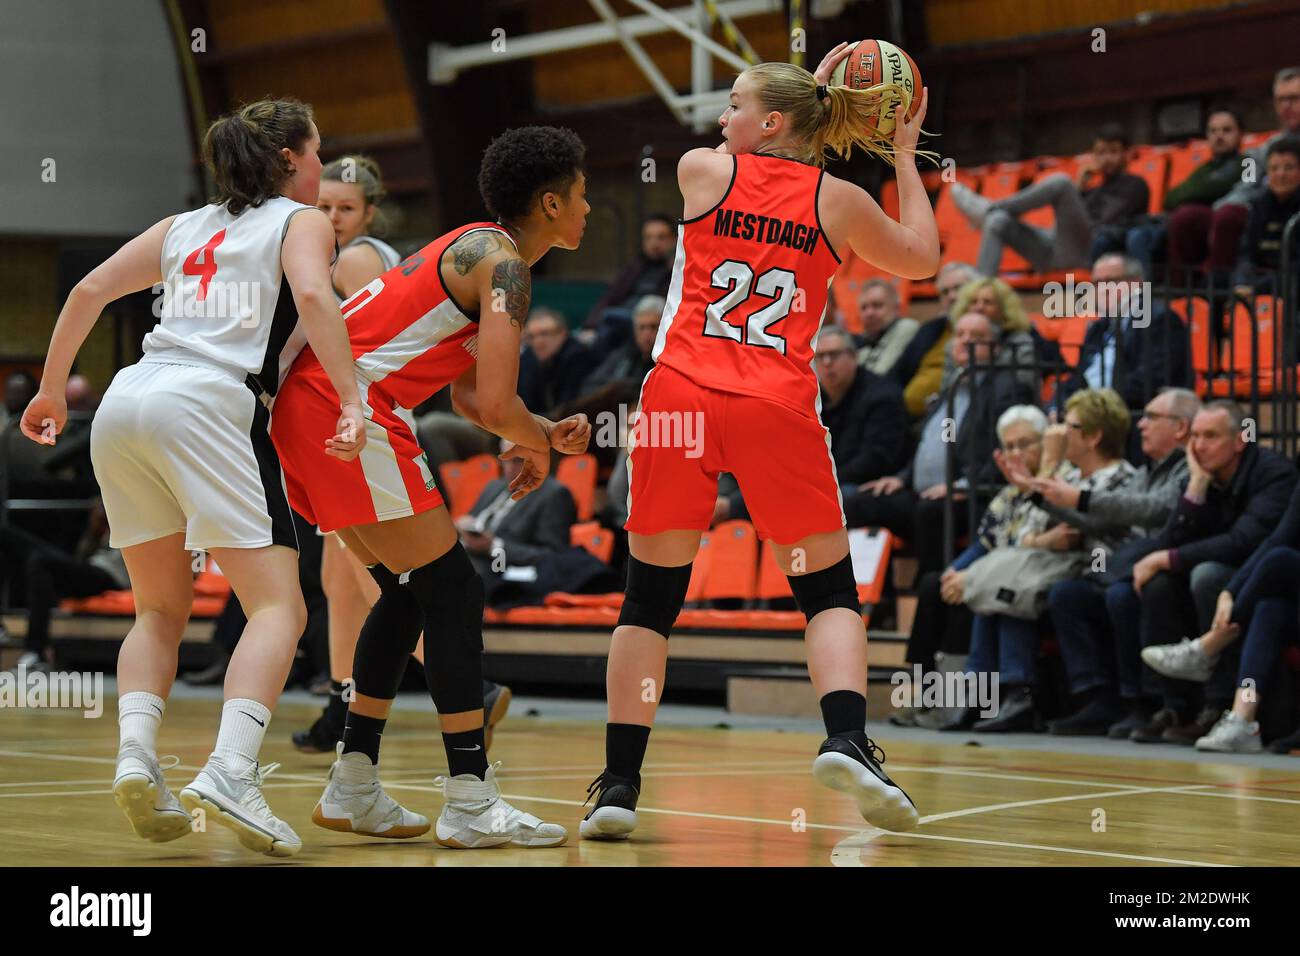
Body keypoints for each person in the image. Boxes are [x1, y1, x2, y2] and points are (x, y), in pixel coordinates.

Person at [579, 43, 939, 841]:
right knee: (827, 593)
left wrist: (816, 88)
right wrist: (905, 158)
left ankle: (618, 783)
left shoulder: (701, 173)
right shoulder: (840, 200)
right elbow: (924, 258)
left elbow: (731, 152)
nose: (721, 117)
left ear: (770, 121)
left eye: (736, 104)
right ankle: (846, 736)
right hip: (774, 402)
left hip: (679, 397)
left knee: (648, 603)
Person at [19, 98, 365, 856]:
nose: (320, 168)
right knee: (280, 607)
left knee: (158, 610)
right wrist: (353, 398)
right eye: (316, 153)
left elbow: (86, 293)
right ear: (289, 162)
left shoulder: (183, 226)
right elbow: (311, 294)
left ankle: (137, 757)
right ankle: (233, 769)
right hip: (208, 403)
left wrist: (50, 390)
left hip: (127, 401)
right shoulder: (300, 221)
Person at [271, 125, 592, 849]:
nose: (588, 208)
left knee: (412, 593)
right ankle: (471, 800)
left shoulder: (472, 248)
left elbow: (473, 402)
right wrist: (538, 435)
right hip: (347, 406)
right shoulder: (504, 266)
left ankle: (354, 782)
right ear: (549, 202)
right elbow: (500, 406)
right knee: (453, 590)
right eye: (581, 195)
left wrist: (534, 431)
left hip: (314, 406)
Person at [950, 388, 1136, 733]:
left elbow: (1077, 530)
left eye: (1070, 426)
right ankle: (980, 693)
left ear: (1094, 436)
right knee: (996, 589)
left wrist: (1047, 469)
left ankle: (1023, 695)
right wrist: (1038, 522)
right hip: (1062, 566)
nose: (1061, 433)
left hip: (1097, 568)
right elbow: (1033, 529)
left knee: (1012, 589)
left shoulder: (1121, 477)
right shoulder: (1074, 477)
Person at [1123, 400, 1295, 745]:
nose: (1198, 446)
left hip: (1253, 569)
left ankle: (1212, 680)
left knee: (1211, 576)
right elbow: (1170, 540)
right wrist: (1196, 487)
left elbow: (1247, 542)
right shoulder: (1200, 472)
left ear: (1239, 440)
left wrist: (1228, 587)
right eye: (1195, 436)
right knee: (1160, 584)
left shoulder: (1275, 473)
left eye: (1211, 436)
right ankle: (1200, 710)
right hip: (1258, 581)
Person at [1038, 388, 1199, 736]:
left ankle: (1139, 701)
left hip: (1174, 568)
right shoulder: (1148, 470)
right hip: (1131, 566)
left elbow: (1154, 510)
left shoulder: (1188, 468)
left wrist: (1078, 496)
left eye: (1152, 418)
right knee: (1069, 594)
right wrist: (1043, 496)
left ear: (1180, 427)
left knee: (1121, 595)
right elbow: (1103, 522)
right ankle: (1096, 697)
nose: (1141, 425)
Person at [840, 311, 1037, 578]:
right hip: (924, 492)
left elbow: (1009, 451)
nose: (965, 341)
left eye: (976, 337)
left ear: (996, 348)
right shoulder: (951, 385)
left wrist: (964, 487)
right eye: (960, 335)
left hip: (972, 497)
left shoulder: (1007, 388)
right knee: (857, 502)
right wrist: (902, 478)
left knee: (931, 512)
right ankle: (865, 596)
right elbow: (927, 445)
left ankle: (931, 587)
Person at [896, 404, 1047, 729]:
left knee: (979, 592)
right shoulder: (1008, 495)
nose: (1016, 453)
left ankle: (970, 697)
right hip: (993, 569)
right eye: (1009, 447)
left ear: (1045, 443)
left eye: (1025, 444)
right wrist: (956, 571)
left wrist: (969, 576)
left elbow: (1031, 547)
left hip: (1027, 575)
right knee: (935, 584)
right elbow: (984, 542)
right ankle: (925, 690)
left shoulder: (1051, 485)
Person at [1142, 479, 1300, 754]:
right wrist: (1230, 591)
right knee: (1270, 608)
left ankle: (1208, 648)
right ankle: (1243, 719)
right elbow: (1277, 537)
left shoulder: (1271, 471)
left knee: (1282, 559)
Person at [714, 325, 908, 526]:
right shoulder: (812, 398)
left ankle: (729, 510)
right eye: (820, 356)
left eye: (834, 355)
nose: (827, 363)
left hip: (864, 484)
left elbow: (874, 460)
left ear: (854, 357)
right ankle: (729, 510)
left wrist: (817, 483)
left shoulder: (881, 395)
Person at [950, 124, 1149, 277]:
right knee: (998, 222)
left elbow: (1101, 228)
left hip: (1090, 254)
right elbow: (1069, 222)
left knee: (1061, 182)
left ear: (1127, 154)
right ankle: (978, 288)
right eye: (1101, 153)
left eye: (1113, 151)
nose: (1107, 159)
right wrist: (1080, 186)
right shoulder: (1093, 189)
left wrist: (1074, 192)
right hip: (1053, 252)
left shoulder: (1135, 185)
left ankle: (989, 208)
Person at [1168, 67, 1300, 279]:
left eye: (1294, 98)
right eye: (1280, 100)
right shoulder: (1260, 151)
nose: (1286, 106)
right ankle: (1183, 298)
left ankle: (1221, 293)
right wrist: (1224, 206)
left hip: (1289, 212)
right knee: (1188, 217)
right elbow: (1246, 185)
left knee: (1229, 216)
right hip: (1260, 209)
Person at [1050, 253, 1189, 411]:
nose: (1102, 290)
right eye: (1096, 284)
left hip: (1134, 412)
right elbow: (1081, 377)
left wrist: (1096, 405)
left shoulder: (1160, 320)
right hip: (1093, 410)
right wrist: (1056, 406)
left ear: (1136, 283)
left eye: (1110, 282)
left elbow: (1149, 381)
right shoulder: (1098, 328)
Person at [1127, 108, 1243, 277]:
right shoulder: (1206, 167)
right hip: (1185, 222)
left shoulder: (1249, 161)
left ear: (1240, 134)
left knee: (1185, 215)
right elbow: (1171, 198)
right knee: (1137, 235)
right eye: (1213, 131)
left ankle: (1186, 287)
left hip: (1220, 220)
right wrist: (1205, 188)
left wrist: (1202, 188)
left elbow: (1247, 189)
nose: (1219, 136)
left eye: (1226, 130)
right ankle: (1144, 297)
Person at [893, 262, 976, 416]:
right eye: (945, 292)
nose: (951, 296)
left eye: (958, 288)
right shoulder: (930, 329)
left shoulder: (992, 328)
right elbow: (896, 375)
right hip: (906, 417)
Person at [584, 213, 675, 351]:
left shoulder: (677, 270)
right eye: (648, 238)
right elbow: (611, 297)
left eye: (661, 237)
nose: (654, 243)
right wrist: (590, 326)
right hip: (617, 321)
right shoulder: (635, 268)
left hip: (646, 323)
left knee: (611, 321)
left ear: (674, 240)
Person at [1232, 137, 1300, 295]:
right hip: (1261, 281)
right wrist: (1242, 282)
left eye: (1288, 168)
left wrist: (1256, 288)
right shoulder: (1259, 204)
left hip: (1290, 287)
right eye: (1274, 168)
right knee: (1213, 282)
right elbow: (1245, 253)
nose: (1281, 174)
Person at [516, 307, 601, 415]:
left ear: (562, 333)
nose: (538, 342)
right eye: (531, 337)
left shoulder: (577, 357)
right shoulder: (529, 358)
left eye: (544, 334)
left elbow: (569, 407)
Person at [855, 278, 918, 377]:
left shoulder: (906, 327)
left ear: (896, 308)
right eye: (864, 308)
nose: (869, 313)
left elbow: (880, 374)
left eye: (877, 305)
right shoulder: (863, 338)